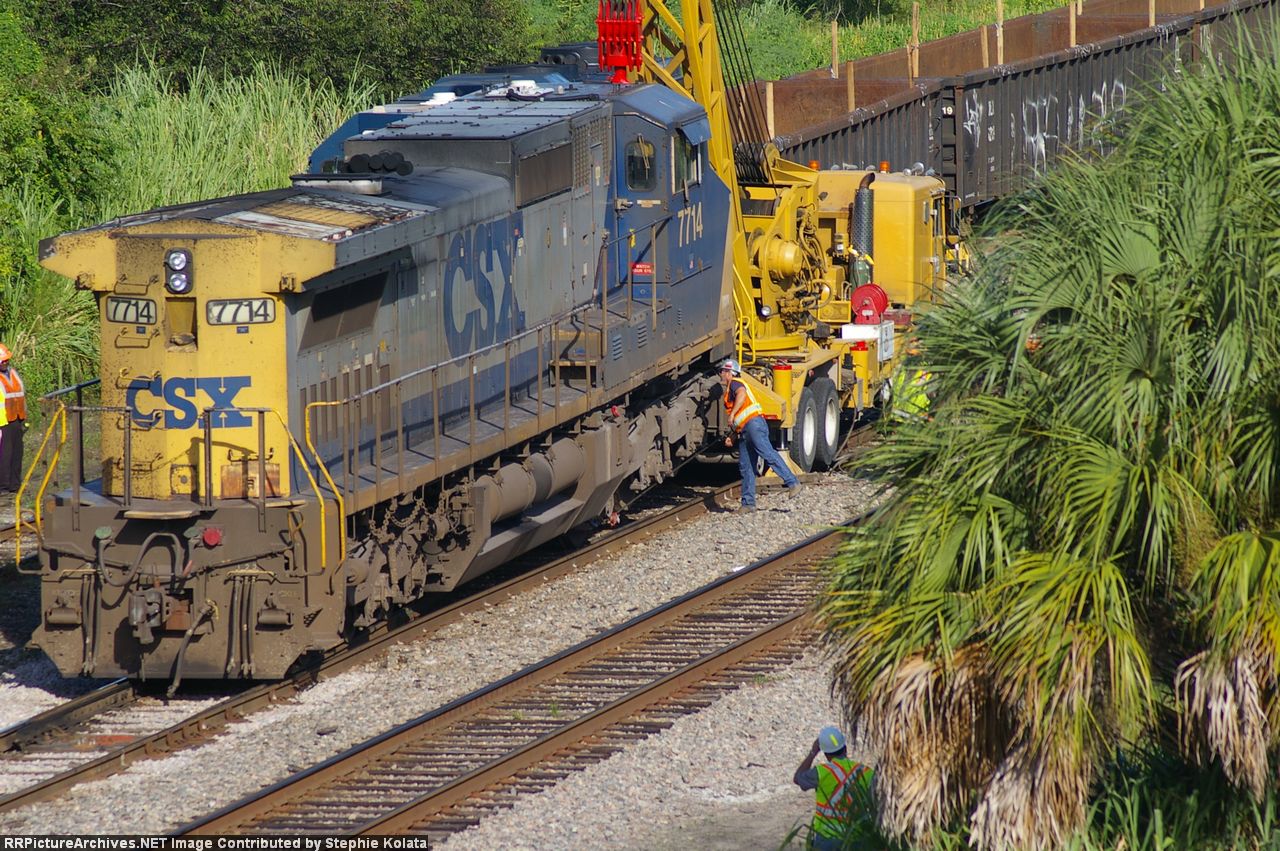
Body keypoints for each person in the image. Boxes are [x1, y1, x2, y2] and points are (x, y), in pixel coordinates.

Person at [719, 358, 801, 510]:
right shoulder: (731, 388)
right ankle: (748, 504)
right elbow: (741, 417)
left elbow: (742, 395)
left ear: (730, 373)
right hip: (745, 430)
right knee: (746, 466)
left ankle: (793, 482)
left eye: (723, 371)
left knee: (767, 453)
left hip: (754, 425)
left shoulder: (736, 383)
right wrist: (732, 435)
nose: (721, 374)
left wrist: (732, 415)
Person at [793, 725, 874, 850]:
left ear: (825, 754)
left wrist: (813, 752)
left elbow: (798, 778)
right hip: (856, 838)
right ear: (845, 748)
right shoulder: (866, 772)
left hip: (826, 839)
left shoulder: (821, 772)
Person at [0, 343, 27, 494]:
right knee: (5, 454)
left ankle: (15, 485)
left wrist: (24, 418)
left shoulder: (13, 373)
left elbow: (21, 395)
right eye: (2, 361)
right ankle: (3, 486)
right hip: (2, 421)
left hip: (16, 418)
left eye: (6, 360)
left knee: (17, 453)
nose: (5, 363)